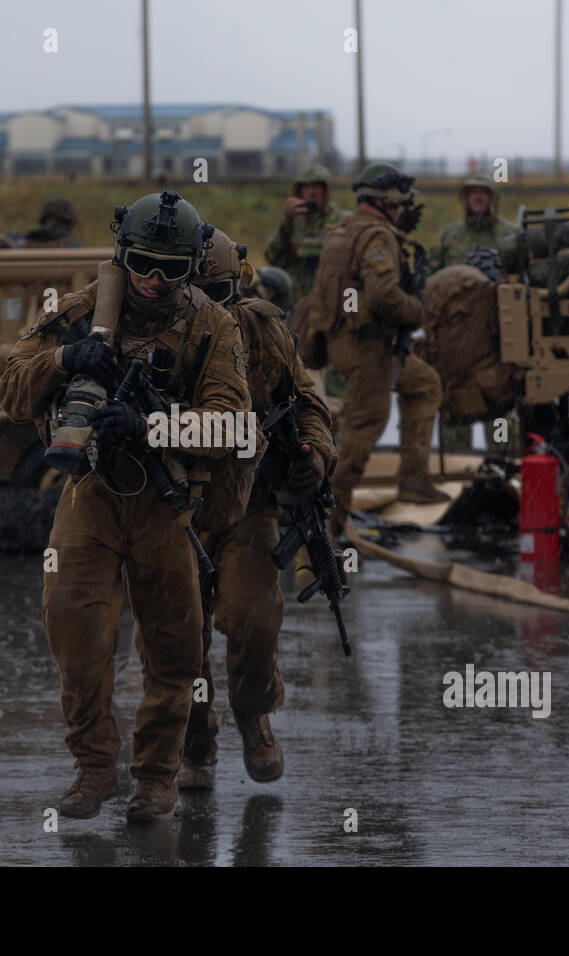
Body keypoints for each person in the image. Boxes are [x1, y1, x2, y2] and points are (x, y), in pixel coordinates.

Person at [0, 190, 249, 823]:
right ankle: (91, 769)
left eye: (171, 269)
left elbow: (233, 426)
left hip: (167, 501)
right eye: (142, 263)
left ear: (192, 268)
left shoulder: (213, 327)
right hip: (91, 491)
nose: (154, 281)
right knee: (73, 625)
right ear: (122, 255)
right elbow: (10, 389)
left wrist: (153, 425)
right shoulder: (85, 308)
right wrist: (63, 360)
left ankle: (157, 778)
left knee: (174, 648)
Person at [176, 230, 336, 790]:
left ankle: (254, 716)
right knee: (179, 635)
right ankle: (195, 740)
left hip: (248, 501)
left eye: (217, 295)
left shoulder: (262, 328)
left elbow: (306, 399)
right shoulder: (148, 336)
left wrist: (315, 455)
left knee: (251, 619)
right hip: (172, 508)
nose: (206, 308)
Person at [302, 162, 449, 533]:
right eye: (397, 205)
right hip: (366, 344)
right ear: (384, 202)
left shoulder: (344, 231)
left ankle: (413, 480)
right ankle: (329, 522)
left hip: (344, 339)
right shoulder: (377, 237)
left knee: (424, 383)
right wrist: (421, 313)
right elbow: (383, 296)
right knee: (364, 426)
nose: (400, 212)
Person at [264, 164, 349, 304]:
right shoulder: (294, 222)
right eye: (306, 186)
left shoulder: (341, 219)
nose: (312, 192)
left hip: (334, 299)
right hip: (300, 301)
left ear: (326, 190)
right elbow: (273, 258)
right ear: (299, 191)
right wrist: (287, 223)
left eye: (317, 186)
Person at [428, 174, 516, 273]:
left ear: (492, 197)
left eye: (482, 192)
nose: (477, 197)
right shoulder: (449, 234)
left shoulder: (511, 234)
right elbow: (431, 270)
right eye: (473, 192)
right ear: (466, 198)